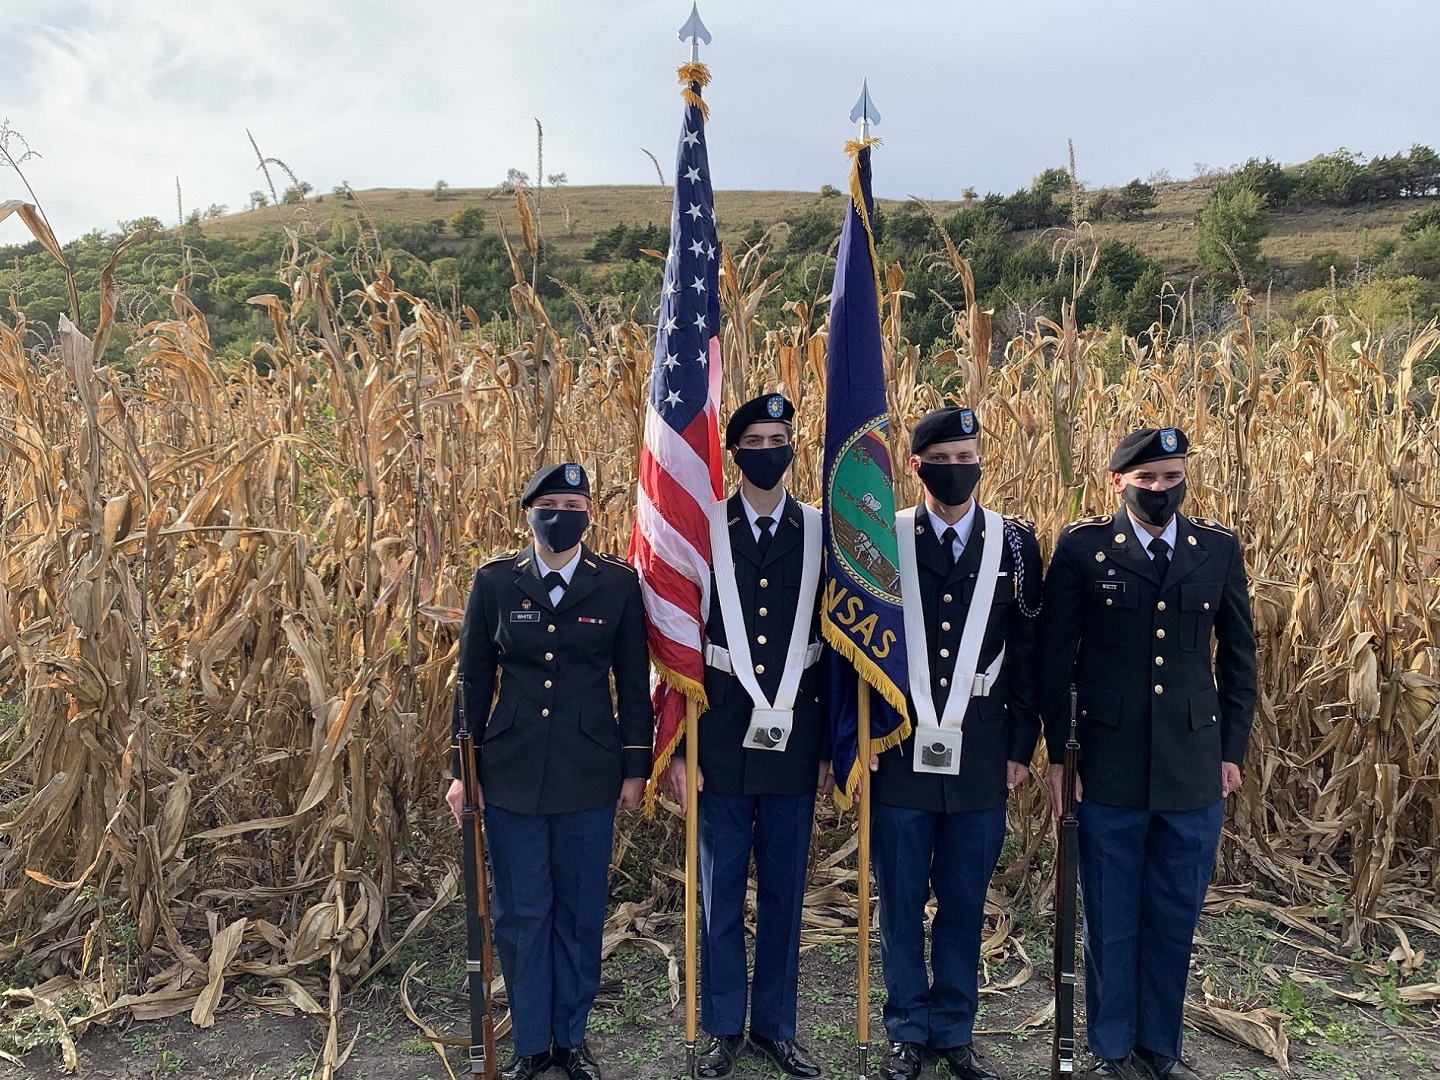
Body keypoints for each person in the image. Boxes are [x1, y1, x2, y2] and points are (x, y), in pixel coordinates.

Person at [1038, 427, 1257, 1080]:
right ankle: (1109, 1049)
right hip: (1106, 765)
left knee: (1172, 915)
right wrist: (1058, 755)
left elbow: (1240, 660)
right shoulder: (1083, 550)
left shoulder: (1216, 550)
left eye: (1171, 476)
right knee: (1108, 917)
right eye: (1146, 479)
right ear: (1117, 483)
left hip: (1193, 766)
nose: (1160, 489)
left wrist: (1231, 749)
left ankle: (1159, 1049)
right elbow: (1055, 658)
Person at [447, 462, 654, 1080]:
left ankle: (571, 1039)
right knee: (520, 912)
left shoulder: (617, 584)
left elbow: (634, 683)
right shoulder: (494, 582)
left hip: (589, 769)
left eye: (577, 501)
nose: (564, 512)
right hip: (509, 771)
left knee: (580, 911)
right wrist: (464, 770)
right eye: (552, 502)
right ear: (528, 511)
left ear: (591, 513)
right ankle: (531, 1043)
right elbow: (473, 682)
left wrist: (634, 768)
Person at [867, 406, 1044, 1080]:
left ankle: (955, 1030)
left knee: (966, 902)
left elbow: (1029, 655)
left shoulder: (1018, 544)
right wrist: (865, 735)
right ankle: (907, 1028)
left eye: (969, 455)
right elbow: (856, 641)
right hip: (902, 749)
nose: (959, 468)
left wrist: (1019, 749)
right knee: (903, 901)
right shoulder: (883, 540)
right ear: (916, 467)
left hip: (980, 751)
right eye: (944, 458)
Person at [665, 393, 831, 1080]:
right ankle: (722, 1028)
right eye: (756, 439)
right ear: (732, 454)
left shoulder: (825, 531)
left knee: (787, 893)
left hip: (797, 740)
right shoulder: (699, 531)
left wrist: (831, 750)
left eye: (781, 436)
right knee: (720, 891)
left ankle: (776, 1027)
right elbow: (673, 644)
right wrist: (676, 749)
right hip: (721, 742)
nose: (771, 448)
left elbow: (840, 647)